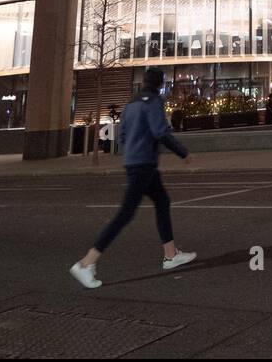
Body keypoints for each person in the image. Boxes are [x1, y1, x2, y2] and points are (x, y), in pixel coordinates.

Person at [70, 67, 196, 290]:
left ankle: (170, 254)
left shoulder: (131, 104)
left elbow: (125, 135)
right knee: (124, 215)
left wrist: (133, 150)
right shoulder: (153, 102)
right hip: (144, 164)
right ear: (159, 84)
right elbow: (160, 131)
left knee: (162, 202)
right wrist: (183, 152)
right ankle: (86, 262)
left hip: (134, 162)